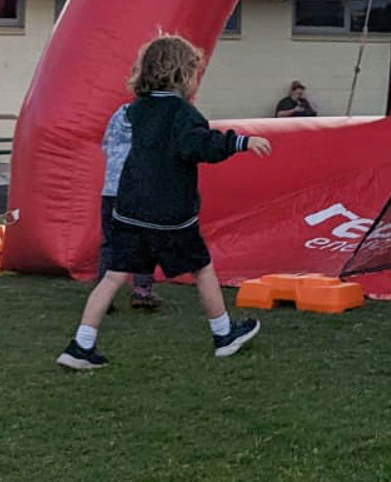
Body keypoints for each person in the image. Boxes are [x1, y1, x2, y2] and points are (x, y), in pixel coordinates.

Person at [57, 34, 271, 370]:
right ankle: (223, 334)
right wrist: (241, 142)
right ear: (182, 74)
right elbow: (200, 146)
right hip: (171, 212)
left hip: (129, 209)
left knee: (114, 274)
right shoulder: (182, 114)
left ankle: (80, 345)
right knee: (202, 268)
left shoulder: (136, 110)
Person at [96, 99, 162, 311]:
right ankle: (142, 291)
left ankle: (103, 295)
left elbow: (106, 144)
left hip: (112, 188)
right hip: (141, 187)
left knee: (111, 242)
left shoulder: (119, 113)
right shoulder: (157, 115)